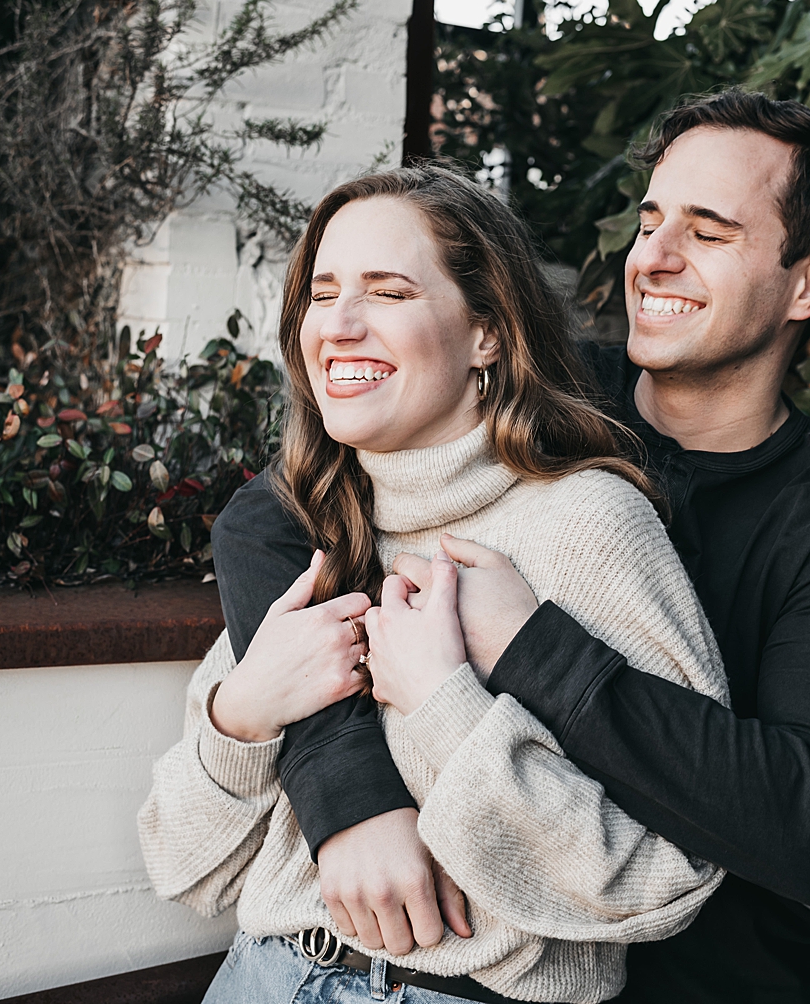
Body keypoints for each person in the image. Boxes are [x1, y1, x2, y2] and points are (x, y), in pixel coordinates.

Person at [212, 90, 810, 1003]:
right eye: (651, 220)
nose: (652, 259)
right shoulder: (545, 391)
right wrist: (348, 794)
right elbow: (273, 516)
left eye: (708, 233)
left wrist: (533, 648)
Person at [138, 165, 736, 1004]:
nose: (339, 325)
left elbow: (670, 876)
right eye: (323, 292)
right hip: (262, 978)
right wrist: (243, 715)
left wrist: (448, 710)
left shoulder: (584, 524)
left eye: (386, 292)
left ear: (486, 332)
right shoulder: (315, 530)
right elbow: (181, 867)